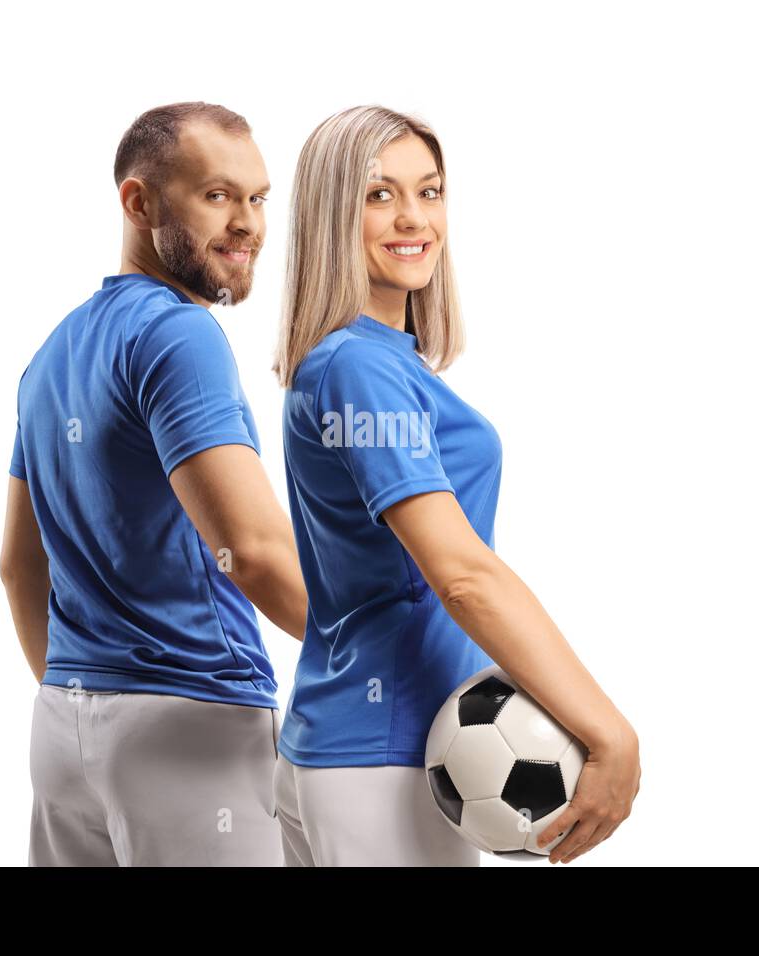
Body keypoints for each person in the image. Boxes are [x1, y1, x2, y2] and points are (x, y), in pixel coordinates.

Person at [270, 106, 642, 866]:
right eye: (379, 196)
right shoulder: (360, 368)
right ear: (331, 213)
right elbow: (463, 576)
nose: (414, 218)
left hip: (349, 748)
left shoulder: (366, 363)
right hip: (385, 761)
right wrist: (609, 732)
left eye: (430, 191)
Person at [0, 102, 308, 866]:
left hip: (63, 728)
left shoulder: (52, 354)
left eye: (258, 198)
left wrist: (92, 704)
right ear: (138, 202)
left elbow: (17, 564)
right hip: (189, 727)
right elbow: (256, 550)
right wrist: (382, 657)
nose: (247, 224)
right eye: (216, 196)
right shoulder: (177, 334)